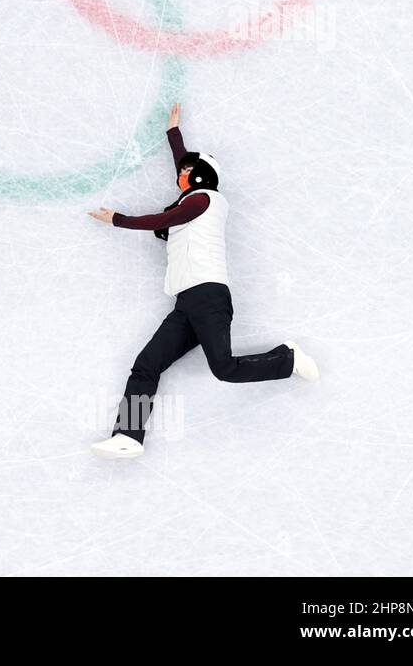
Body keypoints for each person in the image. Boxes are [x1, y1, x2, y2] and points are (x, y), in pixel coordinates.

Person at [87, 102, 319, 459]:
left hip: (208, 298)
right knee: (147, 363)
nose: (182, 175)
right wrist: (173, 134)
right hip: (186, 303)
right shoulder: (190, 202)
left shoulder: (206, 199)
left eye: (188, 172)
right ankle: (128, 436)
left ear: (201, 177)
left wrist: (117, 218)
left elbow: (163, 215)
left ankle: (286, 360)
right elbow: (184, 169)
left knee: (224, 368)